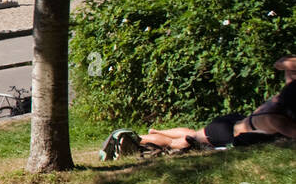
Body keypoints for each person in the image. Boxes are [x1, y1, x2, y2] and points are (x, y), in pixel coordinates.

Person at [101, 57, 296, 159]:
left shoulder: (282, 97)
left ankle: (155, 131)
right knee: (182, 143)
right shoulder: (277, 119)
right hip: (227, 132)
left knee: (194, 133)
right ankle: (137, 140)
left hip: (235, 122)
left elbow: (283, 64)